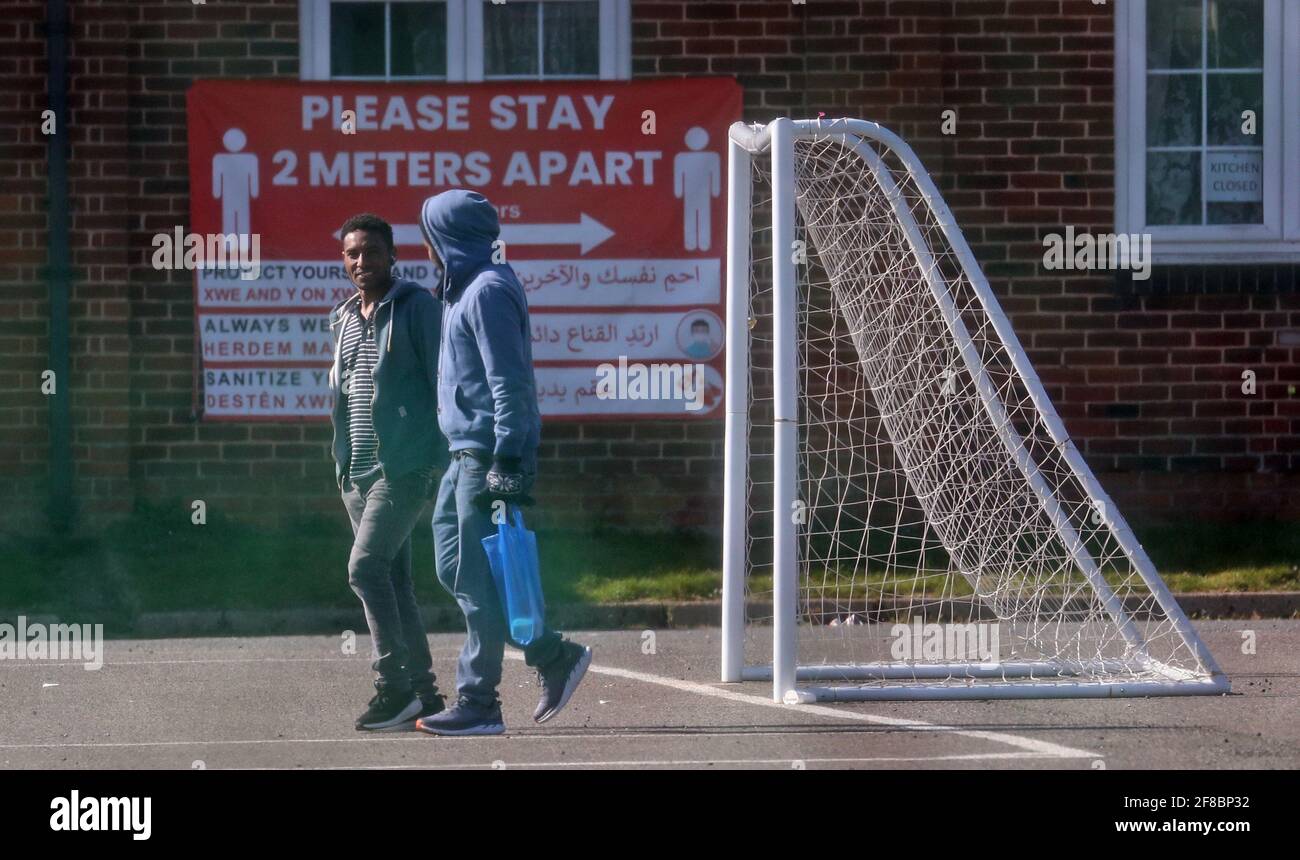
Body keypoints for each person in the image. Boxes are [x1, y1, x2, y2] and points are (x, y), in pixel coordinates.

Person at [414, 190, 591, 736]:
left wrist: (509, 458)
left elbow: (509, 384)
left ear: (448, 237)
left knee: (472, 575)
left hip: (488, 454)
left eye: (429, 235)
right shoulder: (461, 290)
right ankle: (550, 654)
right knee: (456, 567)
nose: (424, 247)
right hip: (461, 453)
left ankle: (479, 702)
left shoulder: (487, 291)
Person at [328, 213, 449, 731]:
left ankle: (393, 685)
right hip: (355, 473)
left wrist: (437, 456)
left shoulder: (417, 308)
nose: (362, 262)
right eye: (353, 253)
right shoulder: (345, 317)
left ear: (391, 255)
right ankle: (424, 693)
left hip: (402, 468)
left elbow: (443, 381)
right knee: (395, 580)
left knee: (365, 569)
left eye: (372, 252)